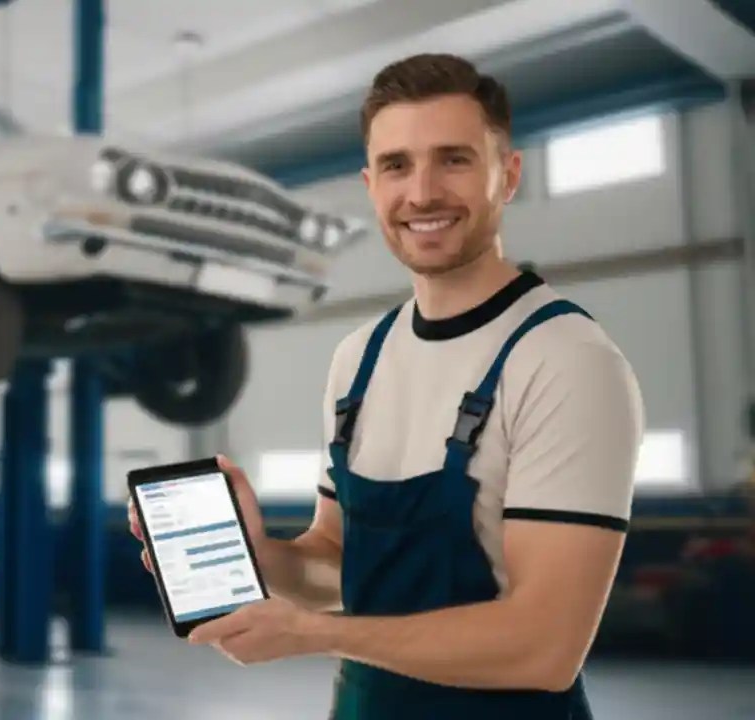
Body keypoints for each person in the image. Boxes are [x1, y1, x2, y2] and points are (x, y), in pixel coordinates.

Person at [128, 53, 644, 718]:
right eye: (397, 165)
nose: (422, 193)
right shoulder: (358, 360)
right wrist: (262, 556)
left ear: (508, 175)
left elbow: (543, 648)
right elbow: (338, 564)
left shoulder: (565, 360)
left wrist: (315, 635)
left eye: (454, 160)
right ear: (371, 185)